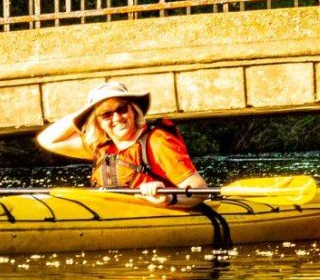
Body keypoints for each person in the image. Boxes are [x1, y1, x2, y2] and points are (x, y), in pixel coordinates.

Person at [37, 82, 209, 207]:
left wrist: (168, 198)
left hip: (160, 214)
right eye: (106, 114)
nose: (117, 118)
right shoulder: (100, 146)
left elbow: (199, 190)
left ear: (133, 110)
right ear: (97, 122)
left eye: (122, 109)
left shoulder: (157, 141)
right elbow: (47, 140)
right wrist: (89, 109)